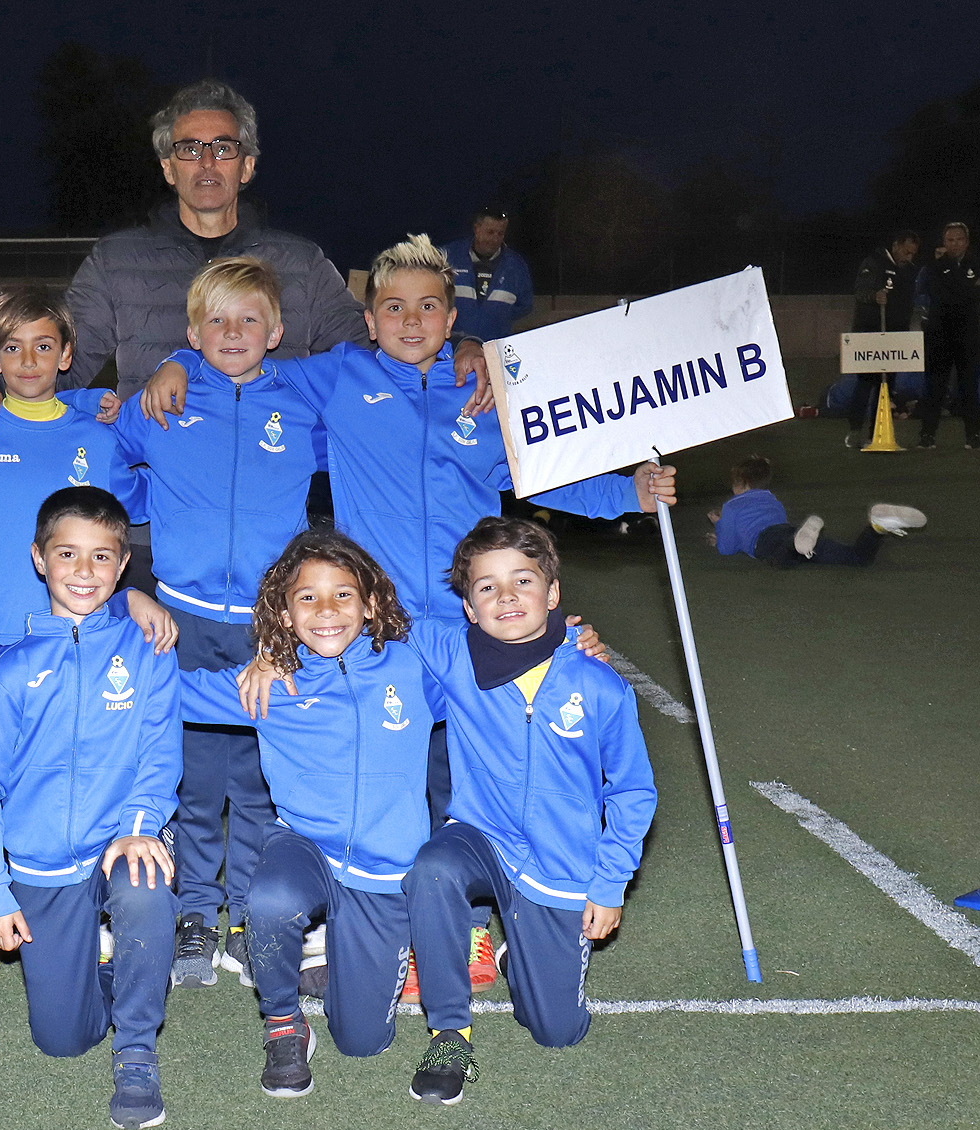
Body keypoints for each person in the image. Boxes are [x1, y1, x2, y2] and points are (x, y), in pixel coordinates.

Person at [146, 234, 675, 995]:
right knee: (386, 777)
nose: (411, 319)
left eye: (430, 307)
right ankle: (371, 916)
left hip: (473, 627)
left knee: (474, 780)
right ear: (369, 321)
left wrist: (629, 493)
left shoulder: (480, 391)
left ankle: (482, 922)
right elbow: (240, 361)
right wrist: (176, 361)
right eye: (393, 307)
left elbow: (540, 470)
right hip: (379, 633)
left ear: (453, 317)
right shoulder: (339, 377)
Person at [0, 80, 491, 444]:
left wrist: (462, 345)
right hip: (158, 500)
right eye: (189, 148)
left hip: (275, 496)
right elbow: (56, 356)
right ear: (168, 168)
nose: (206, 161)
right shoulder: (117, 261)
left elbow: (380, 347)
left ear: (246, 166)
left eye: (223, 147)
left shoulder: (300, 264)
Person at [111, 256, 324, 988]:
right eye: (216, 321)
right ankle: (198, 909)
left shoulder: (300, 402)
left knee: (263, 778)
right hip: (184, 621)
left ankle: (253, 913)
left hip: (273, 622)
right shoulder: (164, 401)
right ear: (193, 331)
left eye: (249, 320)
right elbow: (106, 464)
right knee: (194, 778)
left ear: (277, 331)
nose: (233, 333)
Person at [401, 517, 658, 1104]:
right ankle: (450, 1035)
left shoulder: (599, 684)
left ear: (554, 593)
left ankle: (522, 951)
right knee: (432, 868)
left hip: (559, 862)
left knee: (556, 1031)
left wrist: (610, 883)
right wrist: (269, 655)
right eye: (486, 587)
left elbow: (632, 791)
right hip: (482, 834)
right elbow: (361, 615)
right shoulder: (451, 651)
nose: (507, 596)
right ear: (468, 609)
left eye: (523, 580)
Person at [180, 530, 434, 1098]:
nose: (326, 610)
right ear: (284, 612)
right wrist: (126, 610)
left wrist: (568, 641)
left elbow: (496, 658)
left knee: (363, 1041)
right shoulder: (272, 683)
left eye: (343, 595)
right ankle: (283, 1021)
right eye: (307, 598)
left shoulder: (414, 667)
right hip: (306, 847)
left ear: (370, 605)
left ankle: (335, 956)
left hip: (385, 870)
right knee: (270, 898)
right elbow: (164, 691)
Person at [0, 487, 183, 1130]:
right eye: (67, 554)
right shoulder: (8, 670)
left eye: (102, 556)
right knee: (60, 1040)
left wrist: (139, 828)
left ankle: (137, 1048)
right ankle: (121, 968)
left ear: (123, 565)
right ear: (39, 559)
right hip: (41, 858)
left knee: (143, 886)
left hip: (123, 836)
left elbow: (160, 754)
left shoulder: (148, 649)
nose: (85, 570)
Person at [0, 286, 146, 643]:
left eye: (43, 347)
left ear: (65, 354)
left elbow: (147, 502)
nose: (28, 361)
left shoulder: (98, 442)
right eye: (13, 348)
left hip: (63, 640)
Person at [709, 455, 926, 567]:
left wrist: (719, 525)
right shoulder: (772, 499)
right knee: (857, 558)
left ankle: (797, 544)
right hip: (789, 530)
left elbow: (726, 548)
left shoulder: (731, 506)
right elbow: (778, 522)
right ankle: (877, 527)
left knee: (780, 559)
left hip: (766, 542)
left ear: (743, 484)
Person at [845, 231, 919, 447]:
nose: (909, 257)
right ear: (895, 245)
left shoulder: (910, 271)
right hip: (869, 334)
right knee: (865, 382)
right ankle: (854, 431)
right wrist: (874, 296)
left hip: (895, 336)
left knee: (886, 385)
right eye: (906, 252)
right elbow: (860, 292)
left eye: (913, 254)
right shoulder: (873, 263)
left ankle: (877, 433)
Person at [914, 221, 980, 449]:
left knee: (968, 386)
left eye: (959, 239)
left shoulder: (975, 263)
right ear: (944, 242)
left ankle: (973, 435)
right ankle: (927, 435)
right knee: (935, 386)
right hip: (939, 334)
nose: (955, 244)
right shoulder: (933, 266)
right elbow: (933, 294)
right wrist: (966, 286)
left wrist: (958, 286)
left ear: (967, 242)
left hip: (969, 334)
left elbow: (963, 294)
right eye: (950, 240)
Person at [442, 207, 534, 342]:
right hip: (453, 345)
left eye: (500, 233)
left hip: (496, 346)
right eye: (490, 232)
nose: (495, 239)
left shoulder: (516, 266)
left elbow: (525, 306)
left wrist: (496, 317)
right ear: (477, 229)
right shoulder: (449, 257)